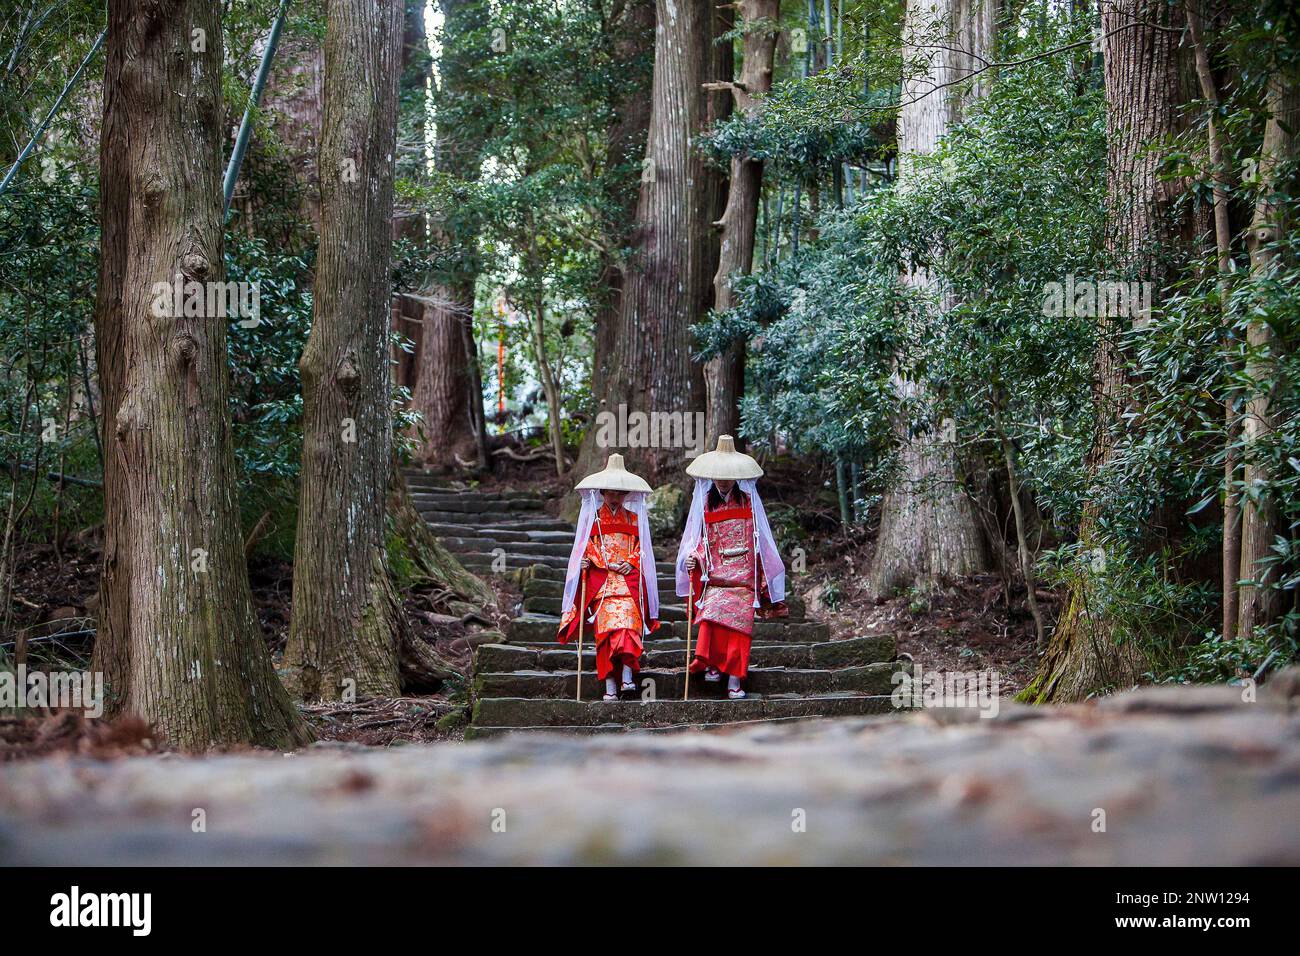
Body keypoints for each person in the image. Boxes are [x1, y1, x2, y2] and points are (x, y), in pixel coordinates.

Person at [676, 436, 788, 699]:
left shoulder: (749, 502)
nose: (723, 480)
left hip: (744, 574)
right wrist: (695, 558)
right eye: (719, 475)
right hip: (716, 574)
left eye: (728, 475)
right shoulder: (705, 504)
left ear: (737, 476)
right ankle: (712, 663)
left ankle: (735, 680)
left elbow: (759, 537)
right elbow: (700, 540)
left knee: (739, 630)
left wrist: (763, 570)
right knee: (710, 619)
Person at [557, 454, 660, 701]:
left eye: (619, 493)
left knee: (628, 627)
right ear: (602, 492)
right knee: (605, 636)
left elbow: (642, 547)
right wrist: (588, 562)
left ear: (625, 495)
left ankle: (626, 675)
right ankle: (610, 686)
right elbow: (585, 548)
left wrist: (631, 562)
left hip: (626, 585)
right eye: (610, 492)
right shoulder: (592, 520)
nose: (615, 497)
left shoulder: (634, 519)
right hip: (602, 586)